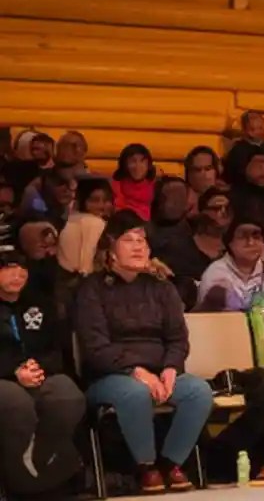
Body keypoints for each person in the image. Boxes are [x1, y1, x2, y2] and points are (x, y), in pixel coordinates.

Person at [74, 211, 214, 494]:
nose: (138, 246)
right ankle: (145, 466)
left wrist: (171, 368)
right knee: (134, 393)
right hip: (110, 375)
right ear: (110, 250)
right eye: (129, 240)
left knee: (198, 391)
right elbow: (95, 347)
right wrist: (137, 372)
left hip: (160, 371)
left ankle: (170, 463)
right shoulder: (91, 289)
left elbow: (178, 339)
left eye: (143, 240)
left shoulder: (162, 288)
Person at [0, 251, 86, 497]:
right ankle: (19, 479)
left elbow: (55, 348)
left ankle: (46, 463)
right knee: (16, 404)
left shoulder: (40, 304)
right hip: (5, 378)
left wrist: (37, 369)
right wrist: (14, 371)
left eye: (22, 269)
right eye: (9, 268)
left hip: (40, 373)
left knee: (67, 396)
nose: (18, 274)